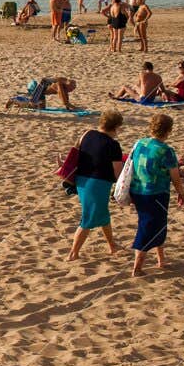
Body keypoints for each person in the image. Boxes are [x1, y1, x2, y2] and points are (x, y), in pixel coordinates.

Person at [128, 112, 184, 276]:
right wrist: (181, 192)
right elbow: (175, 175)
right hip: (155, 193)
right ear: (168, 131)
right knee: (149, 226)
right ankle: (137, 268)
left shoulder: (140, 143)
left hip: (138, 191)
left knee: (158, 224)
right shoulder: (166, 150)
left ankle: (161, 260)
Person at [69, 110, 125, 260]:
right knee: (89, 217)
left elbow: (75, 153)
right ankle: (73, 253)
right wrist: (124, 190)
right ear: (115, 127)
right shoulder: (113, 145)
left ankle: (112, 245)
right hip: (98, 184)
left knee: (102, 214)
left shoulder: (87, 134)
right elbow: (118, 172)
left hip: (81, 180)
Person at [9, 76, 76, 110]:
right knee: (36, 107)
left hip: (43, 89)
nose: (71, 91)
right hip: (39, 89)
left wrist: (69, 109)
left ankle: (20, 105)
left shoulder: (64, 82)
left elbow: (66, 97)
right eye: (71, 89)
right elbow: (65, 102)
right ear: (67, 86)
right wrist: (76, 108)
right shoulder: (59, 86)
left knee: (41, 107)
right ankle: (15, 101)